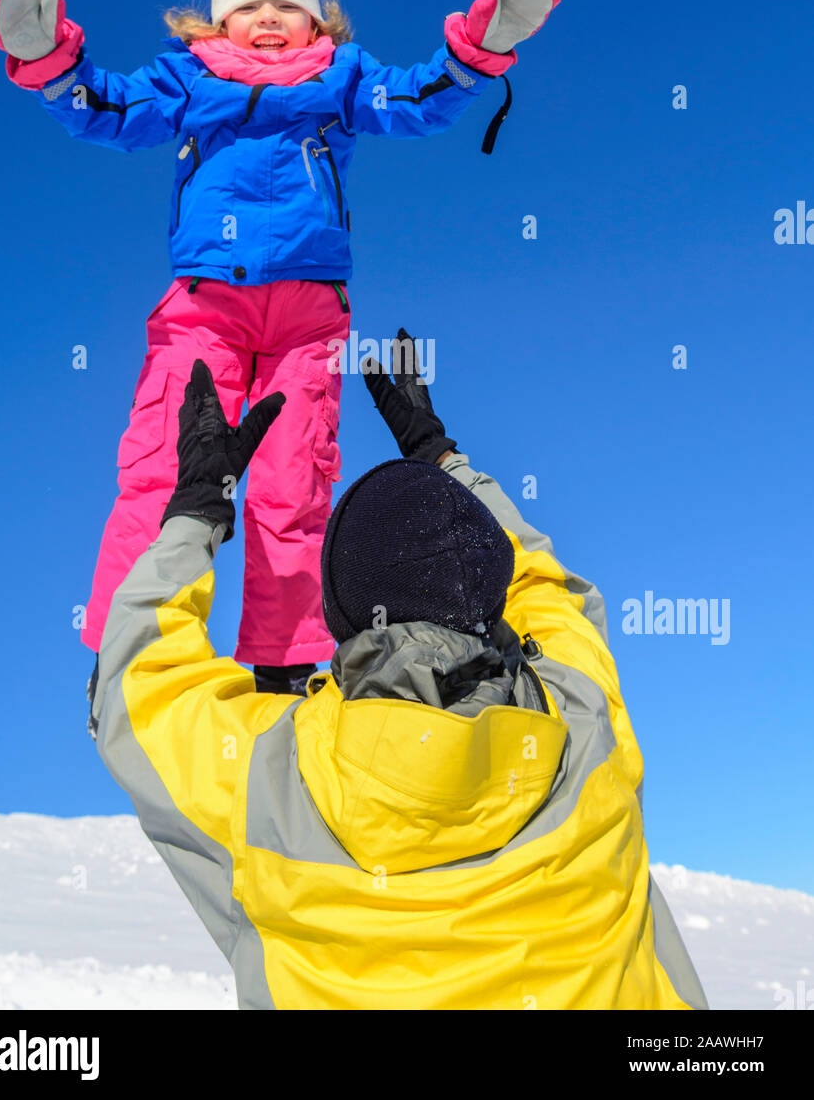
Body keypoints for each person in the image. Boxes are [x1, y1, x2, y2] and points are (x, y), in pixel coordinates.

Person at [0, 0, 561, 692]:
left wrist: (474, 53)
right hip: (205, 308)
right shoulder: (187, 78)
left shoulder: (341, 77)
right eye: (250, 6)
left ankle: (285, 669)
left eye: (287, 6)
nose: (269, 20)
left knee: (294, 489)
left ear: (315, 16)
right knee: (163, 471)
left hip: (308, 318)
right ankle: (127, 653)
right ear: (220, 17)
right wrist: (47, 59)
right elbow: (105, 109)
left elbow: (415, 98)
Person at [88, 332, 709, 1011]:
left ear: (340, 618)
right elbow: (545, 581)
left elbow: (133, 675)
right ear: (491, 589)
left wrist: (200, 505)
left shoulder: (265, 778)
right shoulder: (582, 714)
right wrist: (438, 452)